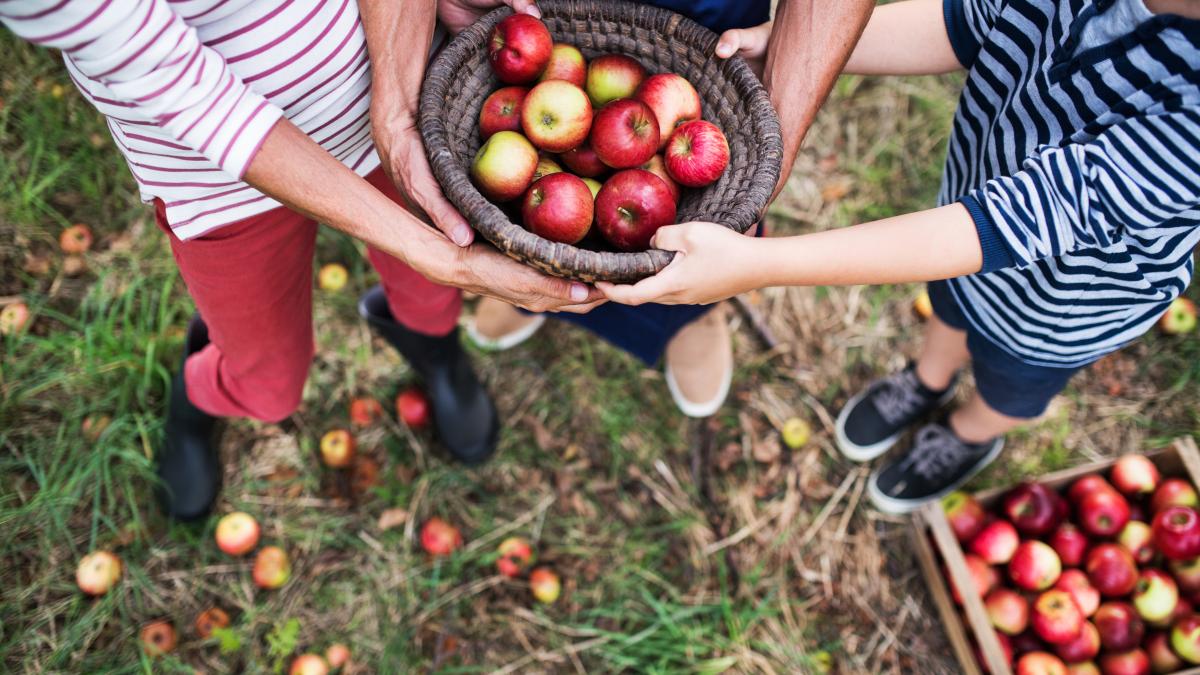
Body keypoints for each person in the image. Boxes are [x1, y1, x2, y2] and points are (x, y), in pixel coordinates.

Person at [0, 0, 605, 520]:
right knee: (270, 387)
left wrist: (395, 109)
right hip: (215, 179)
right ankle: (199, 387)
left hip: (386, 80)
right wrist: (434, 253)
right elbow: (179, 88)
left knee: (433, 296)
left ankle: (435, 350)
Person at [597, 0, 1200, 513]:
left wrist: (763, 262)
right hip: (963, 226)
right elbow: (966, 23)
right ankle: (927, 381)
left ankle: (969, 434)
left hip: (1067, 302)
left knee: (1010, 381)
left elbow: (1013, 219)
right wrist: (776, 43)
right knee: (949, 311)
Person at [462, 0, 873, 417]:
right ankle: (531, 299)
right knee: (542, 246)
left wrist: (773, 144)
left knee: (699, 248)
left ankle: (694, 319)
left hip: (701, 20)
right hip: (545, 41)